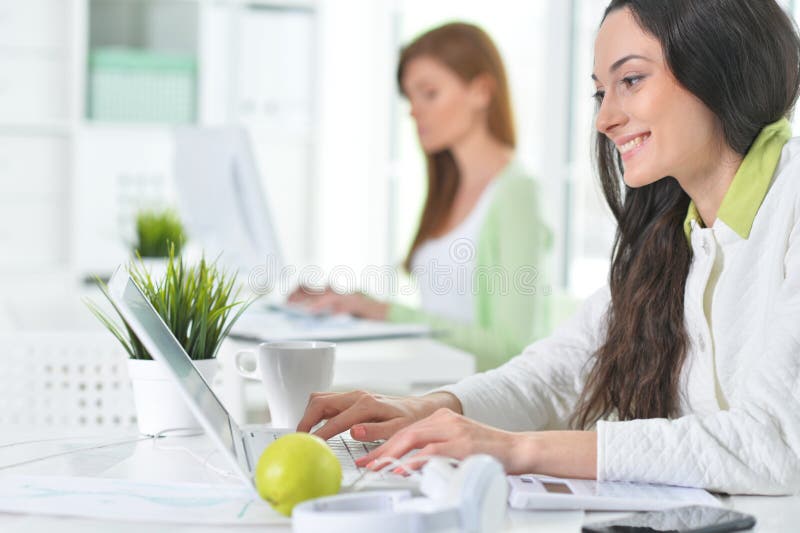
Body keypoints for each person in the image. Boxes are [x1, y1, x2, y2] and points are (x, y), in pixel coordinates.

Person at [295, 0, 800, 495]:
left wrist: (519, 449)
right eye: (600, 92)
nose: (605, 119)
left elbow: (775, 441)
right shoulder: (671, 231)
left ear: (719, 65)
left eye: (630, 80)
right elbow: (555, 374)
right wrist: (427, 408)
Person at [289, 22, 553, 371]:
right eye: (410, 97)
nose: (413, 110)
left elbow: (510, 347)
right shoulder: (448, 189)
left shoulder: (517, 192)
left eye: (429, 93)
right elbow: (443, 317)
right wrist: (349, 303)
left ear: (481, 92)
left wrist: (384, 312)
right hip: (433, 385)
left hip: (474, 399)